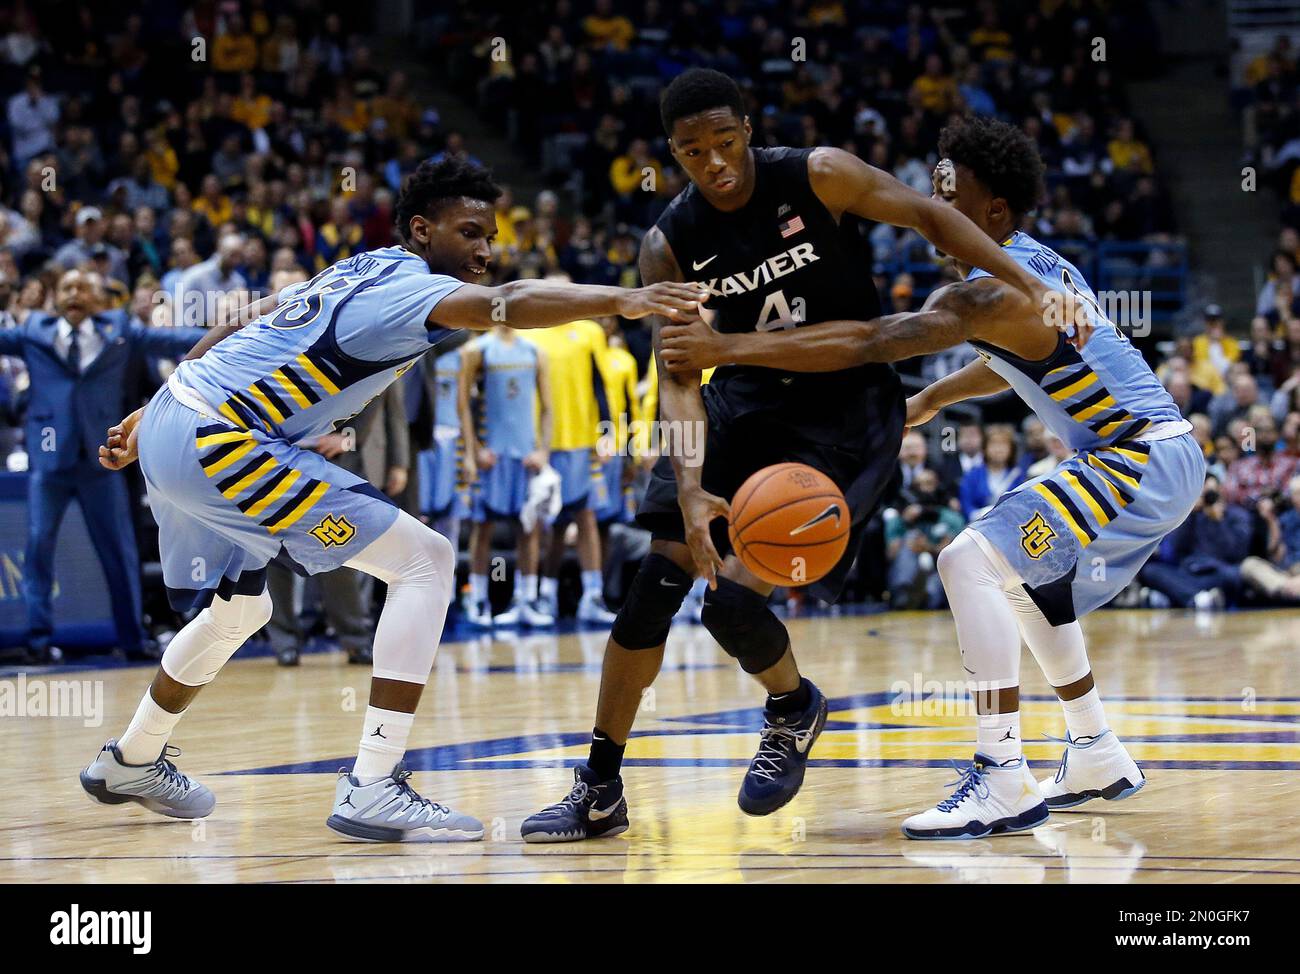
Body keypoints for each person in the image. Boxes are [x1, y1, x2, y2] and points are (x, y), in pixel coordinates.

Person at [80, 157, 704, 841]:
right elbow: (512, 302)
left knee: (241, 607)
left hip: (180, 416)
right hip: (221, 440)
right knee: (427, 562)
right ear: (420, 229)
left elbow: (252, 317)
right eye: (469, 232)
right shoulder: (408, 290)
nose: (484, 250)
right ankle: (373, 784)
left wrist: (154, 406)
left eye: (490, 235)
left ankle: (132, 759)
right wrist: (624, 299)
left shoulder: (362, 265)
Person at [519, 71, 1051, 843]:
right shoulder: (667, 245)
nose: (715, 164)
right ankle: (600, 784)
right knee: (652, 588)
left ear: (748, 129)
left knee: (731, 603)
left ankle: (789, 707)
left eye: (726, 143)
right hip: (743, 401)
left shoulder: (819, 174)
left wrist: (1022, 278)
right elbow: (679, 380)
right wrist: (694, 487)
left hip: (845, 408)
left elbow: (931, 215)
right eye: (693, 152)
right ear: (672, 153)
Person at [657, 115, 1203, 840]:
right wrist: (928, 402)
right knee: (1028, 580)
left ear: (994, 212)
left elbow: (873, 341)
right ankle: (1095, 749)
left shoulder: (980, 294)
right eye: (933, 193)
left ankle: (1002, 775)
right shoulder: (1029, 266)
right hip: (1151, 454)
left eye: (952, 199)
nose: (931, 213)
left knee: (966, 559)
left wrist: (727, 345)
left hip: (1136, 454)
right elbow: (1004, 361)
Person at [0, 269, 202, 663]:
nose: (75, 294)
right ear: (55, 297)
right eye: (67, 287)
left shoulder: (121, 329)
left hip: (101, 462)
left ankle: (131, 639)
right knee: (39, 547)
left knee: (119, 551)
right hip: (50, 462)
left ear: (100, 297)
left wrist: (234, 332)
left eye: (83, 288)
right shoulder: (34, 331)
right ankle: (39, 643)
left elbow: (172, 340)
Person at [458, 323, 555, 627]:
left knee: (529, 529)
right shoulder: (477, 350)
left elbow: (548, 409)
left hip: (525, 455)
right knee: (482, 529)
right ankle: (478, 598)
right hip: (491, 456)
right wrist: (474, 451)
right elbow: (462, 406)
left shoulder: (535, 351)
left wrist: (544, 452)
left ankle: (526, 599)